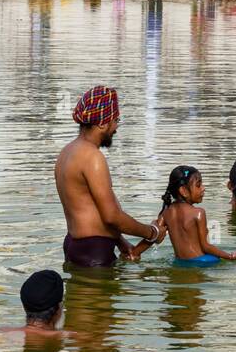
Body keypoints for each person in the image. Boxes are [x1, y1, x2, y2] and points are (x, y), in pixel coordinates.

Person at [54, 85, 166, 267]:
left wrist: (120, 242)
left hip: (74, 245)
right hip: (94, 252)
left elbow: (89, 210)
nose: (116, 128)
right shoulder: (93, 158)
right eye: (116, 120)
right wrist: (151, 232)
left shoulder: (66, 153)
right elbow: (111, 216)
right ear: (102, 123)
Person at [131, 166, 236, 265]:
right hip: (200, 263)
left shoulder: (166, 213)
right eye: (198, 185)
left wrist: (135, 252)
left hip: (180, 263)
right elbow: (205, 247)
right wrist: (231, 256)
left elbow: (154, 236)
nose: (203, 188)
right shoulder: (198, 213)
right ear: (183, 191)